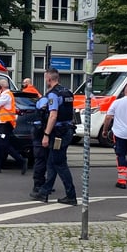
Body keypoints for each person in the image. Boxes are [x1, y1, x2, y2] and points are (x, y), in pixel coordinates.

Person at [31, 68, 76, 205]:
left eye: (45, 78)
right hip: (67, 130)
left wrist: (46, 135)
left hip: (58, 134)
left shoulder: (53, 95)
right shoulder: (67, 92)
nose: (45, 81)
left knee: (60, 164)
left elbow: (53, 115)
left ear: (49, 79)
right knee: (52, 162)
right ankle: (44, 192)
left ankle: (71, 195)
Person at [0, 79, 28, 174]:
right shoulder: (4, 95)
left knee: (4, 145)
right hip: (0, 124)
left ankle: (22, 161)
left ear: (0, 87)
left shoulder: (6, 95)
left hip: (5, 124)